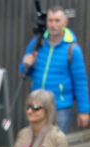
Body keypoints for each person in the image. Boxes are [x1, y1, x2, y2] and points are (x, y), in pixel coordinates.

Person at [20, 4, 90, 133]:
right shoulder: (38, 42)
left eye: (57, 21)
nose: (53, 25)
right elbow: (24, 71)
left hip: (60, 107)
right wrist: (26, 64)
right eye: (50, 20)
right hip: (37, 105)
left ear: (65, 22)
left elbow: (80, 81)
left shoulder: (72, 49)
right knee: (35, 145)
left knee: (54, 146)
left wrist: (84, 111)